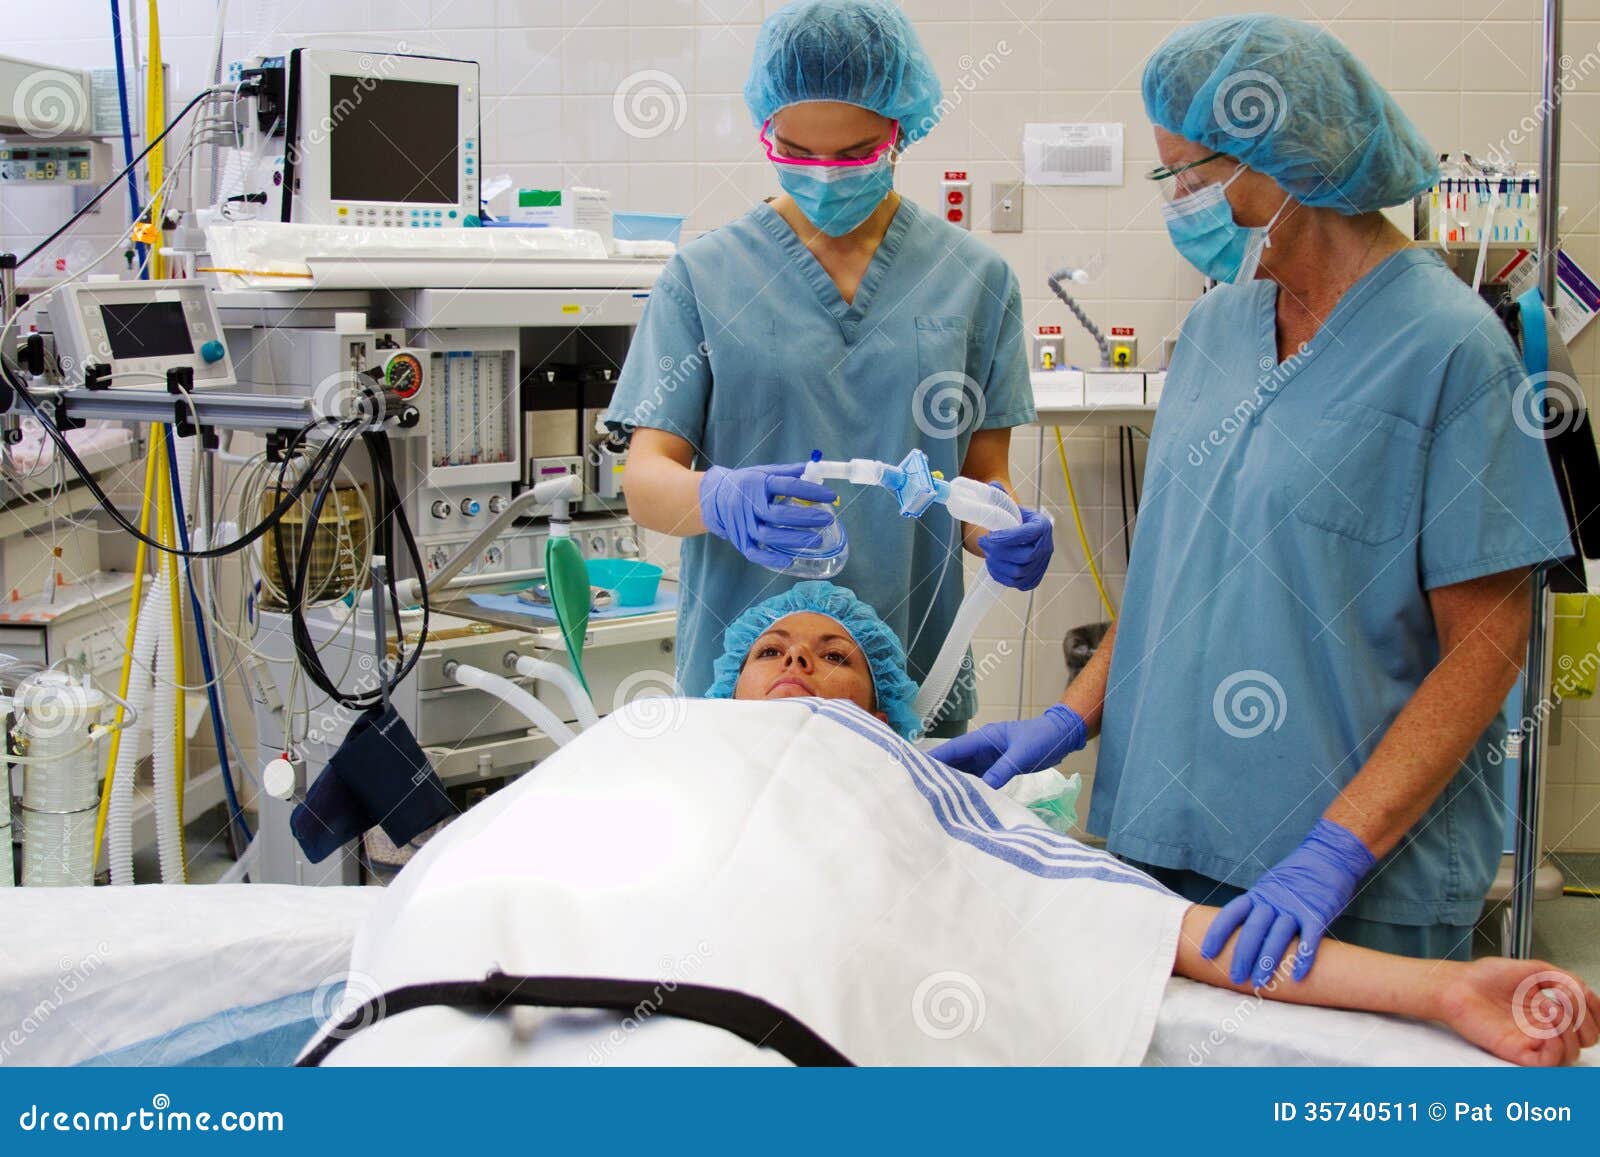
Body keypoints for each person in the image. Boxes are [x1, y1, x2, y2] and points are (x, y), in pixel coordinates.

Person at [934, 14, 1574, 984]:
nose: (1179, 201)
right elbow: (1167, 577)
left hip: (1353, 884)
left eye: (1191, 174)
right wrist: (1064, 720)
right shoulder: (1217, 330)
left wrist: (1338, 849)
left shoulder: (1450, 350)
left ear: (1284, 159)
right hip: (1160, 838)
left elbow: (1488, 649)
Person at [606, 0, 1049, 738]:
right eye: (796, 150)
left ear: (901, 129)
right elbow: (646, 483)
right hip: (740, 686)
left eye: (854, 154)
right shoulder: (703, 277)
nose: (824, 176)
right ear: (765, 130)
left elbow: (983, 474)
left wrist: (1002, 528)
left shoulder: (974, 279)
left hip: (908, 675)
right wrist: (718, 498)